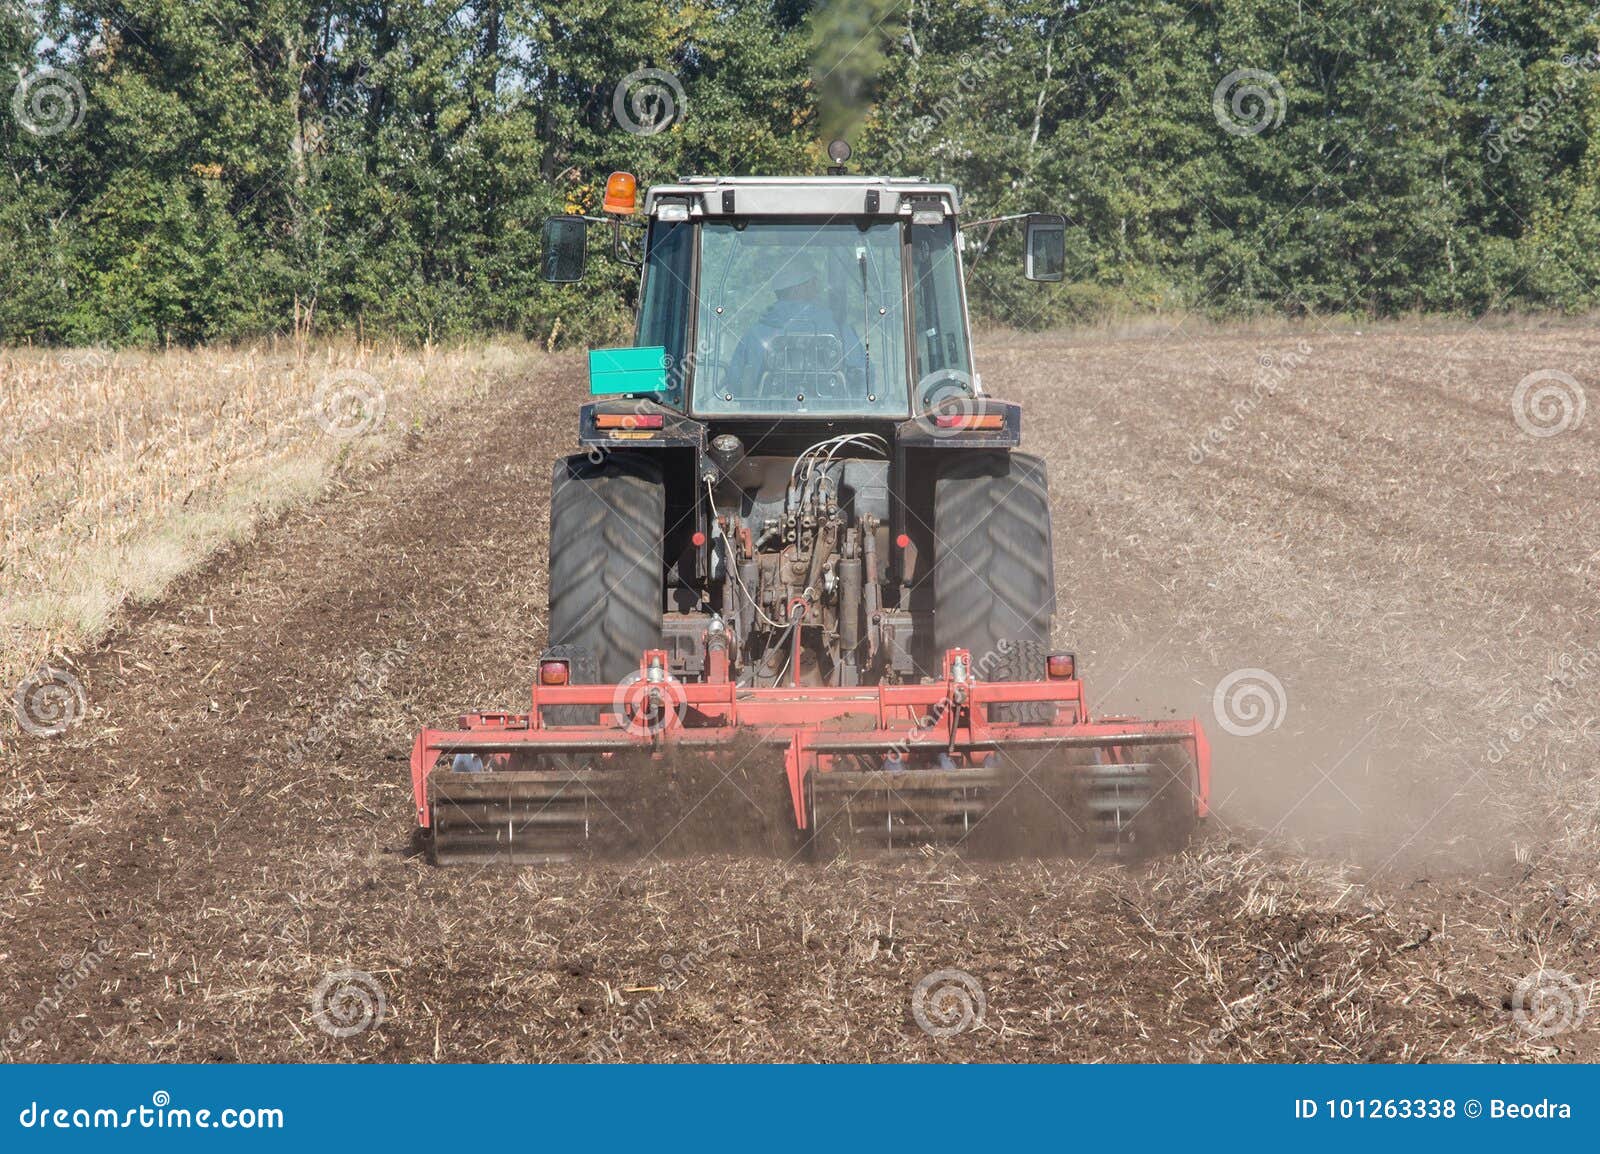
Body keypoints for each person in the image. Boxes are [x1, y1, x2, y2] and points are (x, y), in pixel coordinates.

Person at [724, 264, 865, 400]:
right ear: (799, 288)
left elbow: (736, 384)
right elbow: (863, 376)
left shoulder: (755, 333)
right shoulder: (838, 327)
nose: (817, 288)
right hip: (831, 418)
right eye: (813, 282)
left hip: (767, 418)